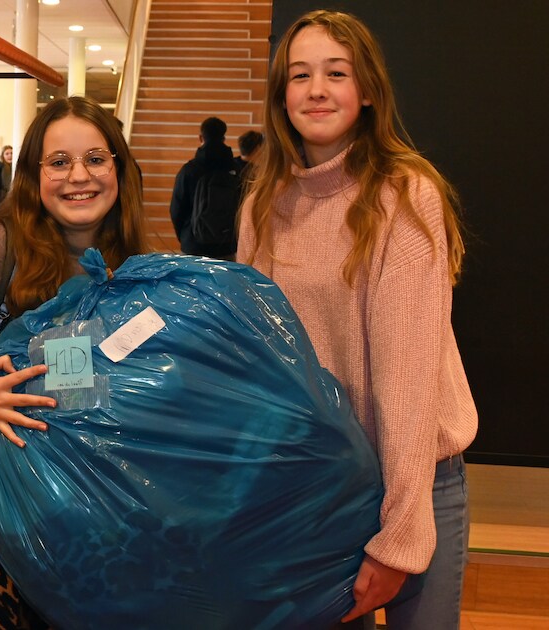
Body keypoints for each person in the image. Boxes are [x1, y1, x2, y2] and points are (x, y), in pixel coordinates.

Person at [238, 10, 476, 630]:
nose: (316, 89)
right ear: (281, 96)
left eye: (335, 73)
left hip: (418, 483)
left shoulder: (405, 193)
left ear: (366, 91)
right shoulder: (263, 203)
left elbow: (407, 377)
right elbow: (258, 364)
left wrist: (399, 534)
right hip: (314, 487)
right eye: (299, 76)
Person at [0, 95, 146, 629]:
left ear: (118, 167)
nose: (78, 176)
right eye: (58, 162)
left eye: (95, 159)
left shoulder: (136, 262)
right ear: (34, 175)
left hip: (97, 523)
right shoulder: (3, 244)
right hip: (0, 524)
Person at [168, 116, 239, 259]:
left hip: (193, 245)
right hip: (226, 245)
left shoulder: (189, 170)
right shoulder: (236, 169)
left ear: (201, 137)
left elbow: (176, 209)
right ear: (223, 138)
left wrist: (185, 236)